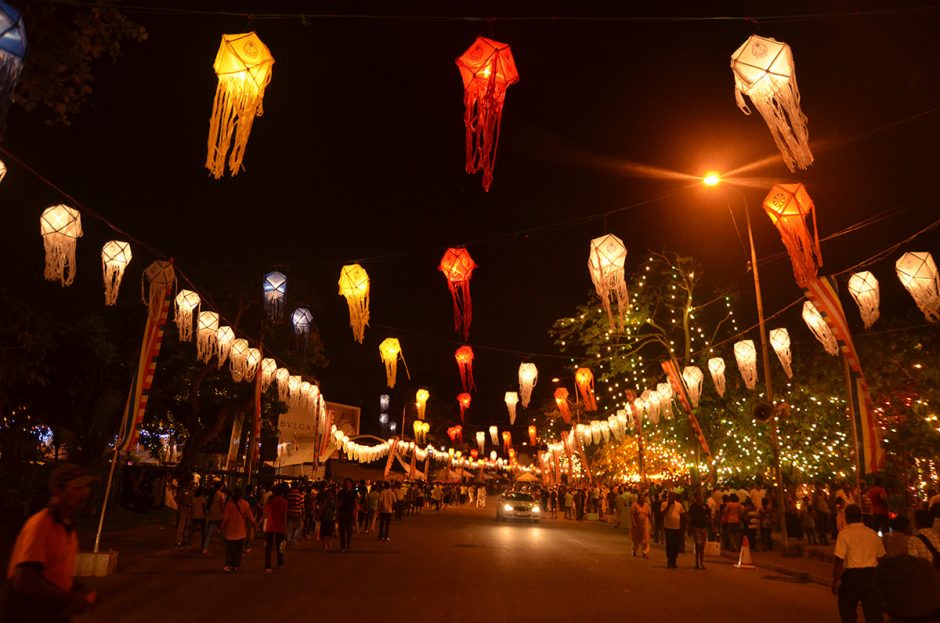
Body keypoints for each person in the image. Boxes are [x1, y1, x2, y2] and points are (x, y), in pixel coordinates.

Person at [2, 464, 98, 622]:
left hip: (52, 612)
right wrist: (69, 598)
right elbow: (24, 581)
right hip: (27, 614)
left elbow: (53, 572)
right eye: (77, 487)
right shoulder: (41, 524)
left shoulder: (67, 526)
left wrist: (79, 590)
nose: (85, 492)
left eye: (86, 486)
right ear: (57, 490)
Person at [832, 504, 885, 623]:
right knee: (873, 611)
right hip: (871, 575)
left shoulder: (844, 534)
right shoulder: (872, 533)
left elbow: (839, 559)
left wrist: (835, 580)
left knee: (847, 609)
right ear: (860, 517)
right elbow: (882, 557)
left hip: (852, 575)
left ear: (846, 517)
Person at [220, 487, 254, 573]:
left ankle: (228, 565)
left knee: (230, 550)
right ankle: (236, 565)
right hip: (241, 531)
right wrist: (256, 525)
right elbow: (250, 517)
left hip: (230, 531)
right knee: (238, 550)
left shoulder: (229, 504)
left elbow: (225, 518)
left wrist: (221, 527)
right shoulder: (245, 504)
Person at [263, 483, 288, 572]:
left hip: (270, 526)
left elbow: (265, 514)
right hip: (279, 527)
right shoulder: (283, 501)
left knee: (268, 547)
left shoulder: (270, 500)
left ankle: (267, 566)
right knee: (280, 546)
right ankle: (280, 562)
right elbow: (284, 516)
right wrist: (285, 527)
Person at [661, 491, 686, 568]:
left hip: (677, 528)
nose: (672, 498)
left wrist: (683, 526)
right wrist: (668, 506)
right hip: (668, 527)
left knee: (676, 545)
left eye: (673, 496)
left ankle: (674, 560)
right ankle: (670, 561)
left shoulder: (679, 505)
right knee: (669, 545)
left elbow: (682, 515)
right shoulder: (664, 504)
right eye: (670, 496)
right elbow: (662, 513)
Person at [688, 490, 709, 570]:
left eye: (701, 495)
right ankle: (697, 562)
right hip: (696, 527)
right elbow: (690, 517)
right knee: (698, 544)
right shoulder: (693, 506)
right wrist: (690, 528)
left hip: (704, 527)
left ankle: (701, 562)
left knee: (702, 546)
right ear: (695, 497)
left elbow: (708, 515)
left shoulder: (705, 506)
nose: (700, 497)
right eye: (698, 495)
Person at [202, 481, 225, 554]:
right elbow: (222, 506)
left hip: (211, 515)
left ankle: (204, 548)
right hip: (219, 515)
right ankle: (225, 546)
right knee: (222, 531)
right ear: (220, 486)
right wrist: (225, 513)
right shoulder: (221, 495)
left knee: (209, 533)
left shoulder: (211, 494)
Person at [337, 478, 357, 552]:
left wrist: (356, 514)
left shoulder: (354, 492)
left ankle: (348, 543)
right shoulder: (341, 492)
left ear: (351, 484)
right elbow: (338, 503)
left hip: (350, 513)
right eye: (345, 482)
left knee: (349, 530)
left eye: (348, 482)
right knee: (342, 531)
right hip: (342, 513)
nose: (347, 484)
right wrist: (337, 513)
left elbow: (355, 504)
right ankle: (343, 547)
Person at [630, 493, 652, 558]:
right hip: (637, 523)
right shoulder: (635, 505)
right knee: (636, 538)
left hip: (645, 523)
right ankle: (634, 550)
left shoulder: (647, 506)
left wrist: (652, 523)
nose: (641, 499)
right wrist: (634, 522)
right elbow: (632, 514)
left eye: (643, 498)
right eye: (640, 498)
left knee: (645, 537)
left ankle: (645, 552)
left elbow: (650, 515)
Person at [317, 486, 336, 551]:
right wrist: (319, 516)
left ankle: (328, 543)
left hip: (331, 519)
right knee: (325, 533)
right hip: (325, 519)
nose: (330, 495)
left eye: (331, 494)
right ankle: (325, 545)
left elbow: (337, 510)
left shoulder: (334, 502)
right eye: (328, 494)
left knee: (330, 532)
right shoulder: (324, 502)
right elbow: (321, 509)